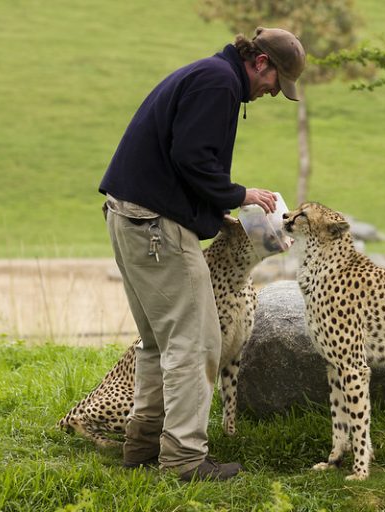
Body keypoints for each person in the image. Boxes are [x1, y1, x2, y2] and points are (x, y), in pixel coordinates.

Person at [98, 27, 306, 482]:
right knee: (197, 342)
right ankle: (185, 459)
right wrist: (240, 193)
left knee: (158, 342)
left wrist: (225, 202)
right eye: (276, 82)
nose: (273, 92)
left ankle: (143, 446)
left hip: (129, 218)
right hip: (156, 228)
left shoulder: (210, 74)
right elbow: (192, 158)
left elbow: (184, 158)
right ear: (261, 63)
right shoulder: (219, 83)